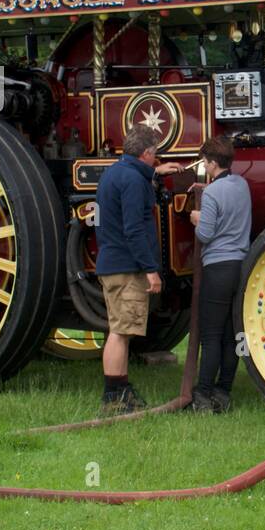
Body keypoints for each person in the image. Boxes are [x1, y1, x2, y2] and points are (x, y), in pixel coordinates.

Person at [94, 126, 181, 412]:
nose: (156, 158)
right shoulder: (133, 181)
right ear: (146, 152)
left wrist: (157, 173)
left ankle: (120, 390)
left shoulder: (116, 172)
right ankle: (114, 396)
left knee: (120, 329)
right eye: (155, 154)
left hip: (112, 263)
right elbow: (134, 229)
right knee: (121, 331)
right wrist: (151, 270)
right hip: (127, 268)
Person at [188, 136, 251, 413]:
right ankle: (223, 392)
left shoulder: (213, 194)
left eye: (205, 161)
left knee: (210, 335)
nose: (204, 164)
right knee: (231, 334)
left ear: (213, 162)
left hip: (217, 267)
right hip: (241, 265)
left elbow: (206, 234)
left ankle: (201, 394)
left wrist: (196, 219)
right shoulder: (242, 185)